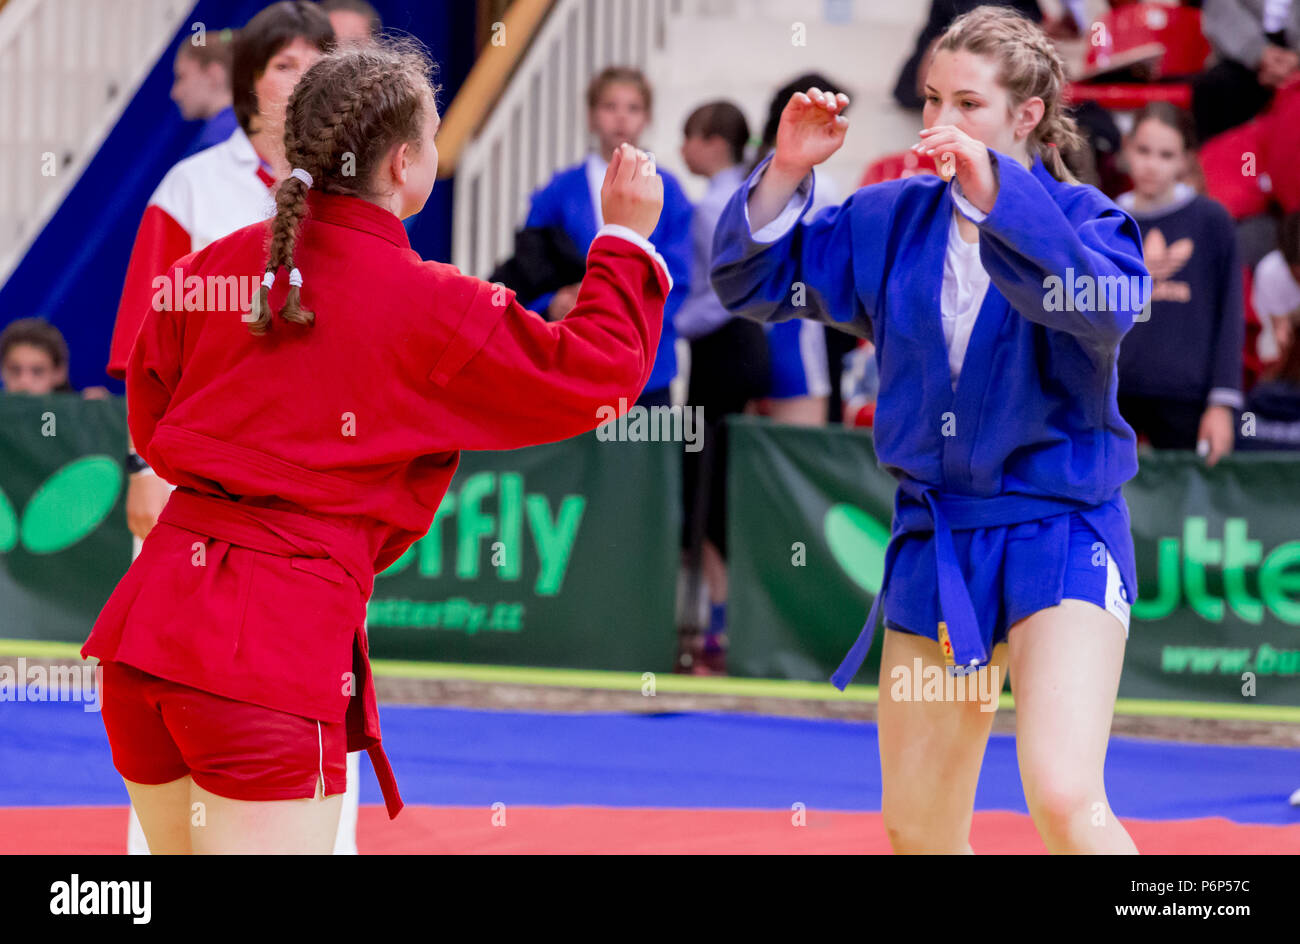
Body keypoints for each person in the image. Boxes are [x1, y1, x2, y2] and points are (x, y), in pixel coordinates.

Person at [82, 38, 669, 855]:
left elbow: (151, 409)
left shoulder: (213, 269)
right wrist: (627, 241)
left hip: (147, 632)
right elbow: (598, 376)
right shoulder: (432, 305)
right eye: (430, 139)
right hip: (269, 657)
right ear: (403, 165)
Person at [712, 5, 1146, 854]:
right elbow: (754, 285)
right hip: (940, 536)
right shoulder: (890, 219)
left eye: (969, 106)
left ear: (1026, 117)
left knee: (1062, 796)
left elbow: (1105, 310)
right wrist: (785, 172)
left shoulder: (1088, 220)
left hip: (1062, 525)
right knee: (919, 827)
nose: (941, 126)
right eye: (931, 101)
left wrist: (999, 202)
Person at [108, 0, 337, 855]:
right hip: (189, 486)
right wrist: (144, 461)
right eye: (285, 64)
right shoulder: (192, 189)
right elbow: (143, 339)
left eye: (320, 61)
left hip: (307, 503)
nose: (304, 76)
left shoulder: (350, 198)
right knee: (168, 683)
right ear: (247, 85)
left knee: (304, 699)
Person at [522, 66, 692, 407]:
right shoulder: (560, 190)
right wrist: (552, 301)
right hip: (574, 350)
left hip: (647, 360)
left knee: (643, 456)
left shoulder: (667, 190)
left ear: (646, 117)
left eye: (633, 108)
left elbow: (682, 274)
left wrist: (636, 316)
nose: (621, 118)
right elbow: (530, 261)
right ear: (591, 116)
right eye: (610, 106)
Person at [676, 101, 770, 673]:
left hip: (725, 350)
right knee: (716, 484)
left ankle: (722, 623)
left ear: (712, 142)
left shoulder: (715, 204)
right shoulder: (739, 194)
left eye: (689, 137)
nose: (684, 150)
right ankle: (723, 621)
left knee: (707, 490)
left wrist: (669, 326)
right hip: (739, 350)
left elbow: (720, 292)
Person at [1115, 103, 1243, 465]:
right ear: (1126, 148)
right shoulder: (1107, 219)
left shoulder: (1212, 221)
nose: (1152, 164)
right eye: (1143, 151)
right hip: (1111, 396)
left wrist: (1221, 402)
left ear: (1186, 159)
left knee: (1192, 511)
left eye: (1166, 154)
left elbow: (1229, 315)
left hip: (1187, 401)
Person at [752, 72, 846, 426]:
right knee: (796, 458)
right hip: (792, 334)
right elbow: (833, 264)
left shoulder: (751, 172)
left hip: (751, 333)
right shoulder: (816, 185)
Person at [0, 318, 109, 398]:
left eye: (37, 371)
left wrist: (99, 417)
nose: (24, 381)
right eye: (15, 370)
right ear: (2, 371)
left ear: (59, 373)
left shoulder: (84, 416)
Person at [171, 28, 238, 159]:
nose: (175, 93)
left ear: (214, 74)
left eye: (181, 77)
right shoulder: (262, 123)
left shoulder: (215, 143)